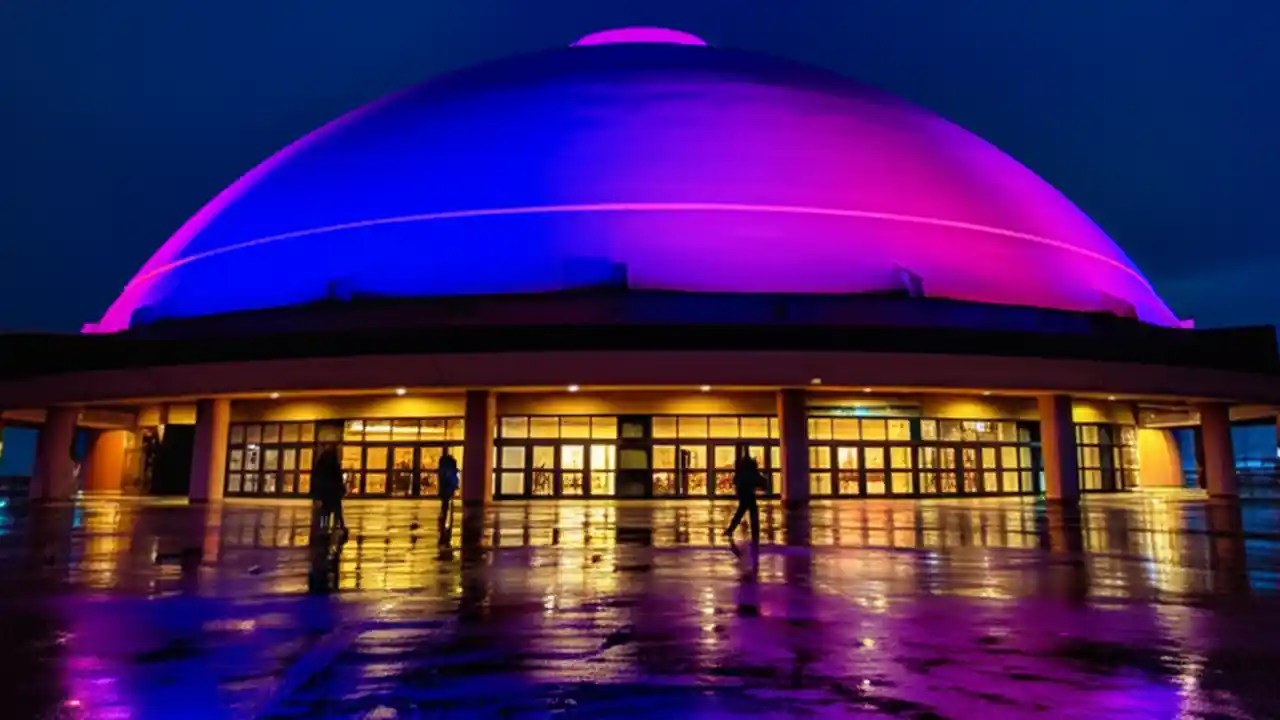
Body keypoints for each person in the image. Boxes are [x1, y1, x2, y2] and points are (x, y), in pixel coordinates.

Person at [724, 444, 766, 547]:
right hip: (749, 493)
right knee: (750, 512)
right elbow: (760, 481)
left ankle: (731, 529)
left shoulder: (741, 470)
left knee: (742, 511)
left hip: (744, 493)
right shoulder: (751, 469)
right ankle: (754, 531)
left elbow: (736, 480)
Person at [313, 445, 346, 534]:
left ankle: (324, 527)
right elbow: (339, 479)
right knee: (336, 510)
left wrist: (316, 495)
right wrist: (341, 490)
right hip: (334, 492)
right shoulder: (334, 465)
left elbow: (316, 479)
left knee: (325, 511)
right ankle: (338, 526)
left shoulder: (321, 465)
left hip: (325, 492)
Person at [437, 448, 460, 538]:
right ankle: (444, 519)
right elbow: (452, 479)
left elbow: (442, 479)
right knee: (447, 503)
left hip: (444, 489)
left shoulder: (442, 470)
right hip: (448, 489)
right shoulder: (450, 470)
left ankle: (443, 518)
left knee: (445, 503)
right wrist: (455, 485)